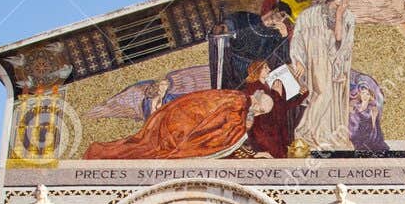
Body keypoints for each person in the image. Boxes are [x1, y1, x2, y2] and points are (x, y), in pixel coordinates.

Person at [84, 81, 294, 160]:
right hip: (177, 130)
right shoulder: (238, 106)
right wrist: (254, 155)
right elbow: (220, 137)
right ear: (256, 102)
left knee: (141, 147)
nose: (257, 114)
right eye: (259, 110)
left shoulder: (234, 99)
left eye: (260, 113)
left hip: (173, 120)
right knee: (145, 150)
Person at [289, 0, 355, 151]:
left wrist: (339, 15)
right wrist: (299, 59)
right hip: (316, 61)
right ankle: (305, 131)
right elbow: (297, 37)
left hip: (334, 64)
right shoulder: (309, 15)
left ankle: (321, 133)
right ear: (329, 2)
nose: (338, 8)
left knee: (330, 98)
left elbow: (341, 39)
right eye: (336, 5)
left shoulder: (345, 17)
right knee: (322, 94)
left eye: (342, 6)